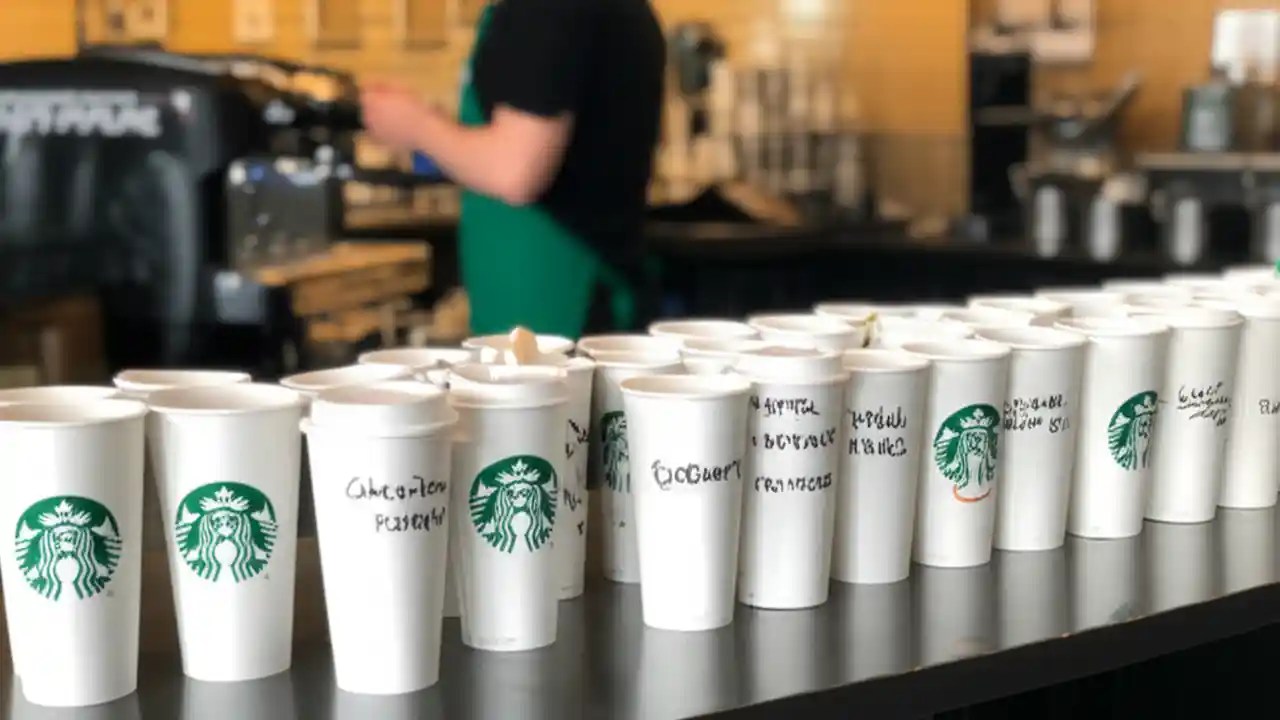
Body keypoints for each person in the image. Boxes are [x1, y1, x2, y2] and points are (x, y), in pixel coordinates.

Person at [361, 0, 667, 337]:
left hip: (557, 304)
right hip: (578, 292)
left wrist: (415, 125)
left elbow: (514, 171)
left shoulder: (544, 10)